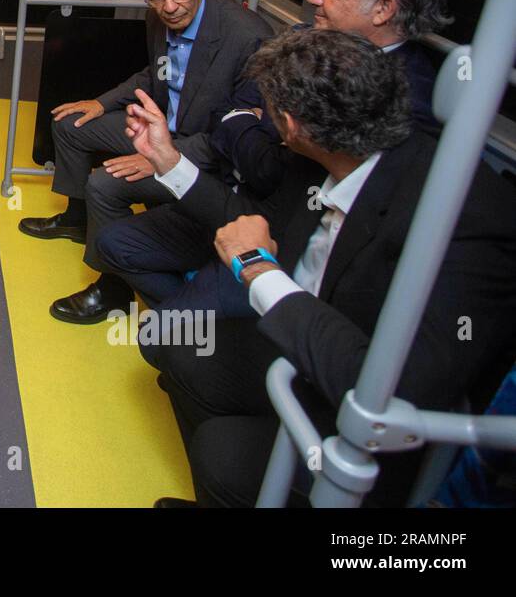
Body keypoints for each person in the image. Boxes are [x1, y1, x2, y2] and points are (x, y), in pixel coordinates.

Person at [127, 28, 516, 507]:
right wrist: (168, 160)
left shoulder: (466, 219)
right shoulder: (330, 154)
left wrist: (259, 273)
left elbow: (402, 395)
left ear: (290, 125)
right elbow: (252, 228)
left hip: (361, 398)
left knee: (219, 454)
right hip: (301, 342)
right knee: (175, 345)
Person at [94, 0, 450, 314]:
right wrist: (245, 128)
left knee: (168, 336)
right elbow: (227, 114)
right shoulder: (303, 38)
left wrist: (249, 129)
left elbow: (267, 167)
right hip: (238, 195)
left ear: (382, 9)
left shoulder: (408, 100)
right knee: (116, 244)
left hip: (292, 244)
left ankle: (201, 335)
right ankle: (193, 322)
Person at [18, 0, 274, 324]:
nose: (169, 6)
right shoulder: (160, 19)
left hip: (199, 155)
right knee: (70, 124)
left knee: (105, 185)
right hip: (157, 131)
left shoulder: (247, 37)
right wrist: (103, 103)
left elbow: (231, 138)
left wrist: (160, 156)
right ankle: (77, 218)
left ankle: (113, 288)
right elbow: (155, 73)